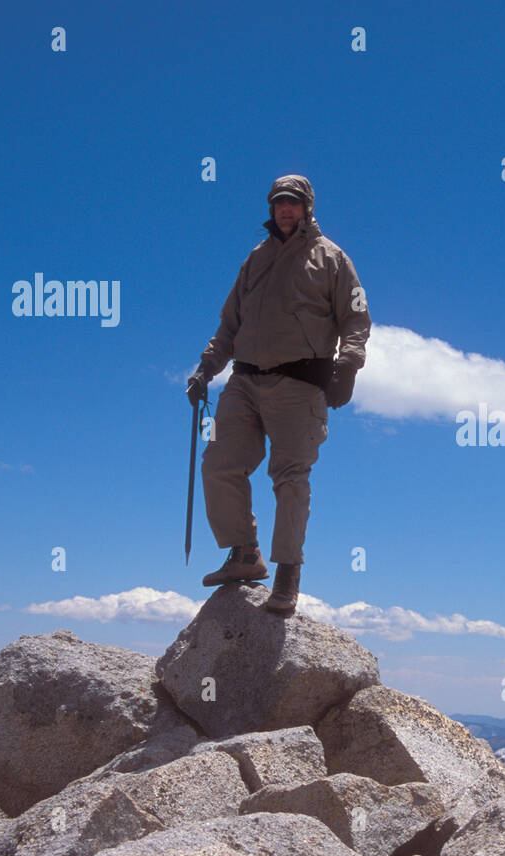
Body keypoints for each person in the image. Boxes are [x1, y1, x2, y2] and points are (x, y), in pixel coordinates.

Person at [186, 174, 370, 616]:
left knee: (289, 476)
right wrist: (206, 367)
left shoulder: (332, 258)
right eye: (278, 203)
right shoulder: (256, 258)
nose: (285, 210)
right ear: (271, 209)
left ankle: (288, 573)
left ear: (307, 207)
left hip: (299, 382)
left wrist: (349, 363)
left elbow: (356, 317)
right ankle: (244, 554)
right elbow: (230, 324)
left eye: (293, 203)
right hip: (245, 379)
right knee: (220, 463)